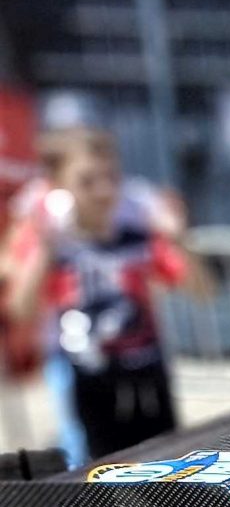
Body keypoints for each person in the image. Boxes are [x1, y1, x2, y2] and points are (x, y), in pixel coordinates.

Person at [2, 126, 204, 465]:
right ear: (58, 187)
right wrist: (43, 250)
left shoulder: (136, 234)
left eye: (112, 177)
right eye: (87, 180)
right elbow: (19, 309)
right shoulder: (50, 240)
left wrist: (178, 238)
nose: (104, 190)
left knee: (166, 463)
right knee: (92, 470)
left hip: (145, 374)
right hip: (80, 376)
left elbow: (200, 290)